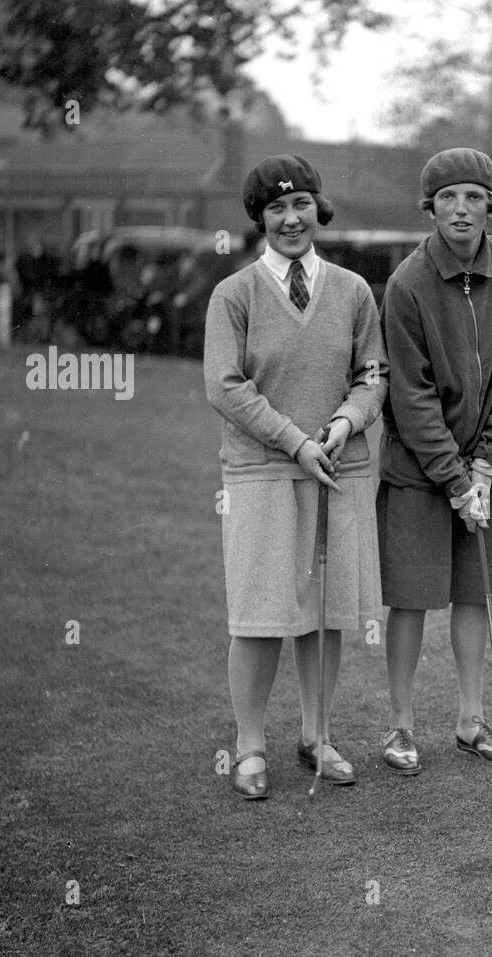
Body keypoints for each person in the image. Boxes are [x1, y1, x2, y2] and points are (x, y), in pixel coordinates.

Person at [204, 154, 387, 799]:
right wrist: (294, 442)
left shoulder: (354, 290)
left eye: (301, 204)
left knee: (326, 612)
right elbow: (226, 387)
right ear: (259, 218)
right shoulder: (234, 295)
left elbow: (373, 374)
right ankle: (249, 745)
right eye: (276, 208)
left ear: (318, 208)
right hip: (262, 471)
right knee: (258, 613)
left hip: (340, 466)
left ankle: (317, 735)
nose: (291, 219)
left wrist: (343, 423)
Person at [376, 148, 492, 776]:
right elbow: (410, 396)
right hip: (418, 471)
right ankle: (400, 728)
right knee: (413, 597)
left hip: (485, 467)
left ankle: (471, 722)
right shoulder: (408, 283)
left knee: (476, 594)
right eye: (447, 197)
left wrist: (487, 463)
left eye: (473, 196)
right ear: (431, 207)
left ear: (491, 204)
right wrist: (452, 476)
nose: (461, 209)